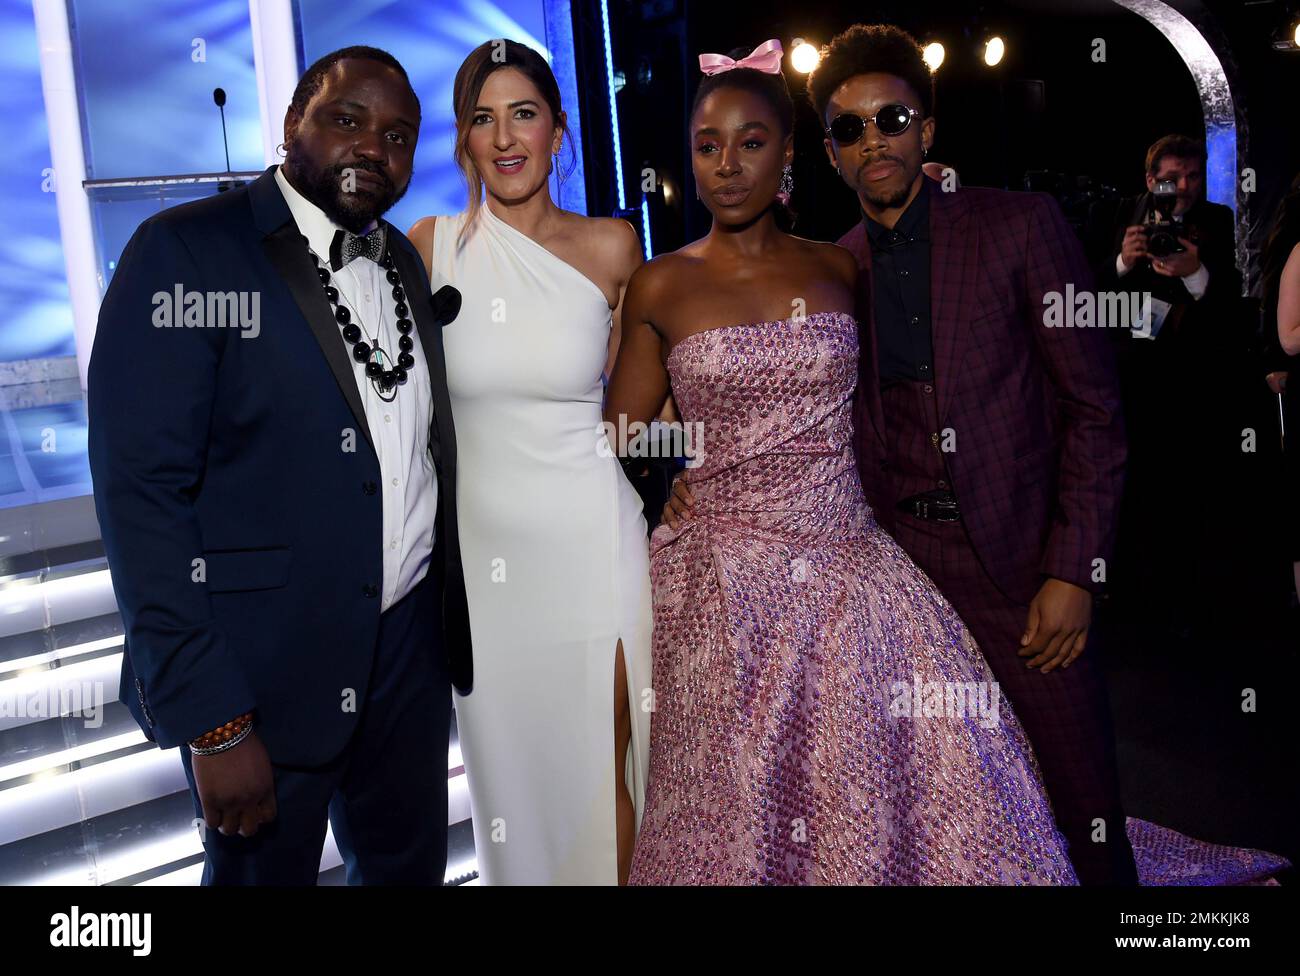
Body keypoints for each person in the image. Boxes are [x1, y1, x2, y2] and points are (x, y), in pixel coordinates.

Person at [606, 39, 1078, 885]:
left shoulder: (838, 266)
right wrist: (685, 468)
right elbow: (623, 433)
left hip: (851, 576)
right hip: (721, 588)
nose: (726, 165)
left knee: (881, 799)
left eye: (751, 142)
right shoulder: (660, 283)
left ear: (791, 155)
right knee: (736, 812)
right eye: (707, 146)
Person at [88, 47, 469, 884]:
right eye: (347, 119)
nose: (374, 147)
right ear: (293, 121)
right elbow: (142, 495)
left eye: (398, 135)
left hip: (406, 662)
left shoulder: (401, 261)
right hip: (261, 679)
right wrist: (215, 721)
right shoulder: (185, 254)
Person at [409, 39, 652, 885]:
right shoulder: (429, 248)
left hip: (597, 544)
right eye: (484, 118)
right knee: (517, 785)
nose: (506, 137)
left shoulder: (614, 247)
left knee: (605, 768)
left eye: (525, 114)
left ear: (559, 130)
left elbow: (646, 404)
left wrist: (694, 479)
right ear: (464, 141)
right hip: (487, 576)